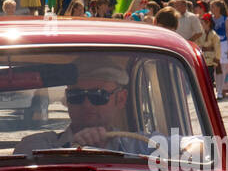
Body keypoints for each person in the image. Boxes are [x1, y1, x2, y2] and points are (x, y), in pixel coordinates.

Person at [16, 59, 144, 155]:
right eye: (76, 95)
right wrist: (72, 149)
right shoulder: (36, 148)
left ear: (121, 99)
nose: (86, 104)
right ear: (67, 98)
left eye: (98, 95)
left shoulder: (142, 148)